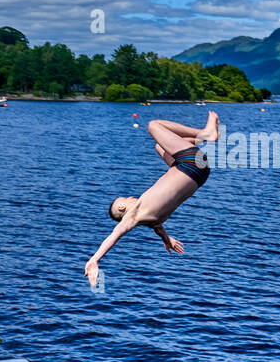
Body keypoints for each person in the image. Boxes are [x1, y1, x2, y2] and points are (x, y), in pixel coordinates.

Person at [85, 110, 220, 287]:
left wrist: (166, 239)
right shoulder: (133, 215)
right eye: (125, 198)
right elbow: (114, 235)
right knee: (153, 126)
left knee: (160, 146)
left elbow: (158, 228)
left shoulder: (149, 219)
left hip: (200, 172)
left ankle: (204, 137)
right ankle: (206, 134)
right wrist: (95, 259)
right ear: (121, 209)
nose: (131, 196)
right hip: (190, 164)